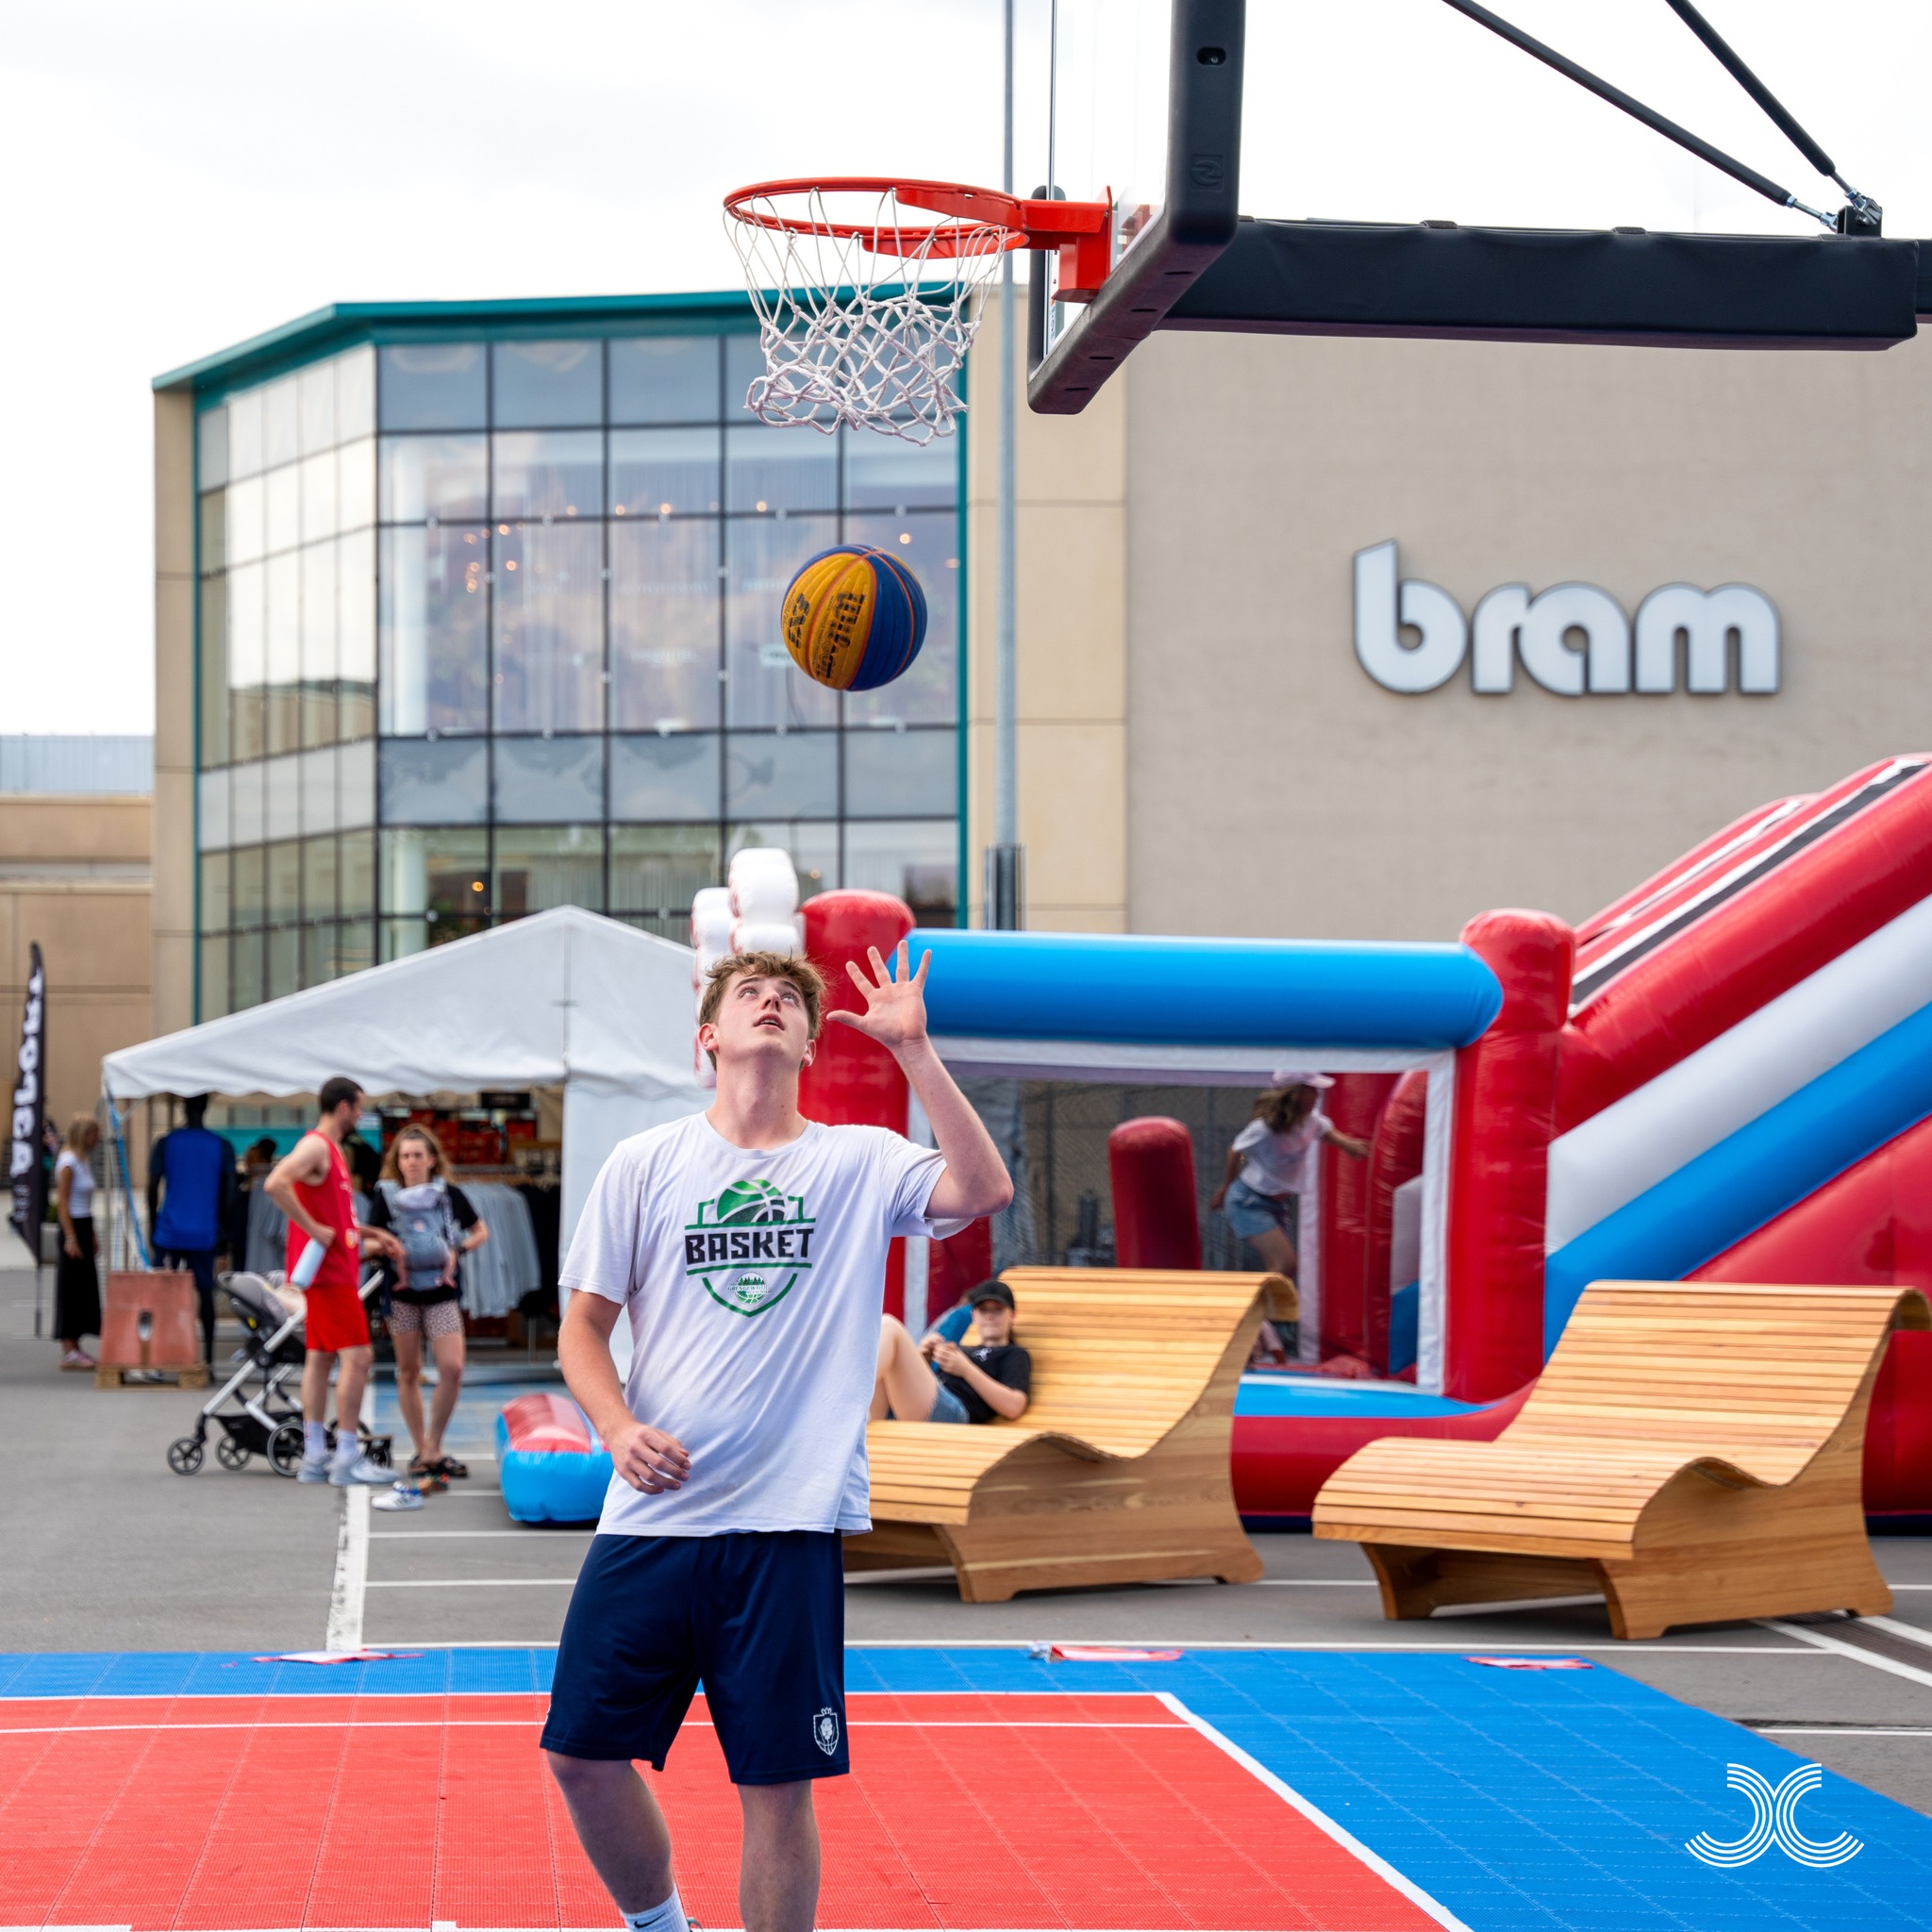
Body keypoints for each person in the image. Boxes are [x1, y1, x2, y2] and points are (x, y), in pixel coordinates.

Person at [542, 942, 1012, 1932]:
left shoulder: (854, 1159)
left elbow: (981, 1192)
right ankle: (662, 1924)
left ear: (806, 1042)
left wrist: (917, 1054)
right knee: (579, 1755)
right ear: (706, 1037)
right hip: (653, 1519)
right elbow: (580, 1329)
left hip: (786, 1525)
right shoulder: (644, 1163)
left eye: (790, 999)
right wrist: (616, 1424)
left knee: (775, 1782)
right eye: (748, 993)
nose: (771, 1002)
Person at [264, 1077, 397, 1487]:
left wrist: (373, 1235)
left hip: (329, 1273)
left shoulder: (330, 1150)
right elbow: (275, 1182)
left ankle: (317, 1454)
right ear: (343, 1107)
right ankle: (345, 1456)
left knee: (320, 1359)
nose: (361, 1115)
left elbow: (340, 1221)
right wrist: (312, 1227)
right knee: (358, 1359)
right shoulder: (318, 1145)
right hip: (330, 1277)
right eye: (358, 1108)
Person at [367, 1123, 489, 1485]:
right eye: (405, 1156)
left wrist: (457, 1250)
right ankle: (423, 1449)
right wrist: (387, 1247)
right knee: (408, 1370)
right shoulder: (386, 1196)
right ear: (398, 1162)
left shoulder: (448, 1194)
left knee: (452, 1368)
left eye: (418, 1155)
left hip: (441, 1293)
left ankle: (434, 1444)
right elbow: (368, 1241)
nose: (412, 1162)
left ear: (432, 1159)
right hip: (403, 1295)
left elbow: (481, 1231)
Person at [1209, 1071, 1370, 1286]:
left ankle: (1270, 1317)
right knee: (1284, 1264)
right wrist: (1228, 1186)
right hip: (1248, 1202)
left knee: (1284, 1270)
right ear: (1296, 1095)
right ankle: (1253, 1312)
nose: (1317, 1095)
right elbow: (1236, 1151)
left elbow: (1324, 1129)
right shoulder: (1265, 1128)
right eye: (1312, 1091)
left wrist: (1345, 1143)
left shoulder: (1309, 1120)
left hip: (1276, 1204)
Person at [148, 1094, 239, 1365]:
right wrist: (224, 1231)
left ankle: (159, 1358)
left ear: (185, 1109)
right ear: (206, 1108)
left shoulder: (166, 1143)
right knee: (205, 1294)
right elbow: (231, 1193)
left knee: (162, 1295)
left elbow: (152, 1189)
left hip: (170, 1232)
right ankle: (208, 1359)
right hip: (204, 1231)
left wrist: (154, 1227)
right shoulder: (222, 1146)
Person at [871, 1278, 1030, 1424]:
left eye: (997, 1310)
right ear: (974, 1315)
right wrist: (923, 1358)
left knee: (890, 1327)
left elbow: (1014, 1406)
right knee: (882, 1333)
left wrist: (966, 1369)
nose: (990, 1316)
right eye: (983, 1310)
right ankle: (856, 1411)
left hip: (955, 1413)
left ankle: (849, 1398)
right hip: (920, 1407)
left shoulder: (1014, 1354)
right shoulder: (961, 1348)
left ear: (1012, 1315)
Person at [53, 1115, 102, 1372]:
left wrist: (91, 1233)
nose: (98, 1139)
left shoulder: (83, 1161)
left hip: (84, 1225)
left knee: (84, 1289)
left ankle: (77, 1345)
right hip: (72, 1227)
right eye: (94, 1134)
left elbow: (85, 1203)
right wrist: (71, 1237)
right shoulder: (68, 1163)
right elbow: (63, 1204)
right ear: (84, 1135)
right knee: (71, 1288)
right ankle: (69, 1349)